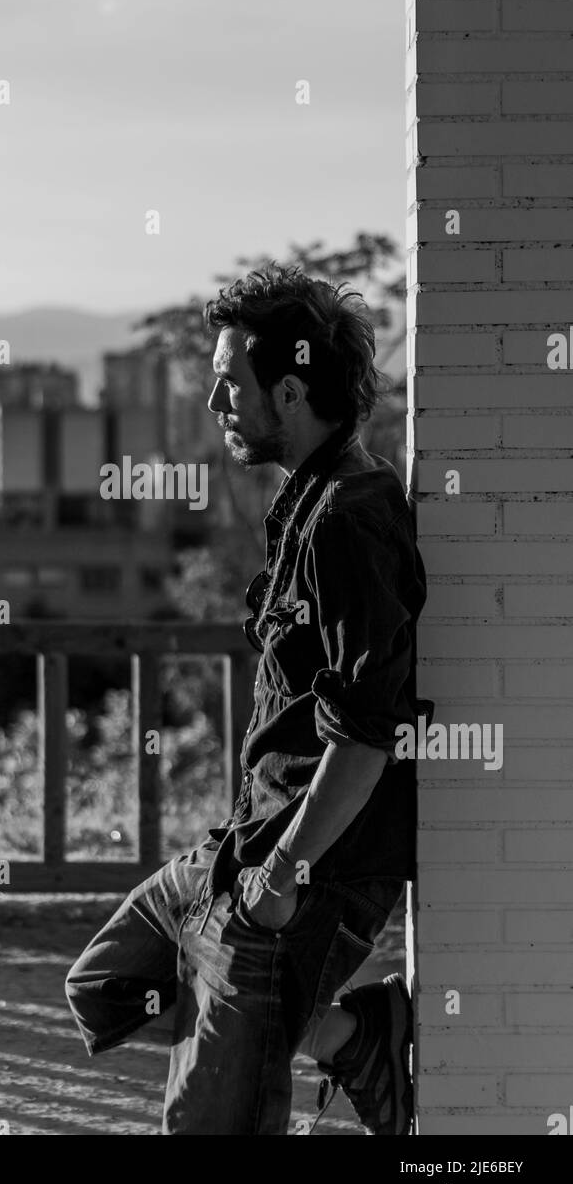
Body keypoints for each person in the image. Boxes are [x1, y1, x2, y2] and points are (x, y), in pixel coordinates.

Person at [65, 262, 430, 1135]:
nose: (216, 402)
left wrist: (279, 879)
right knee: (106, 987)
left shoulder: (350, 517)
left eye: (230, 383)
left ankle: (296, 1030)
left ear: (292, 390)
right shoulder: (304, 498)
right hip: (243, 844)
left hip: (300, 878)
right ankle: (353, 1037)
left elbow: (367, 738)